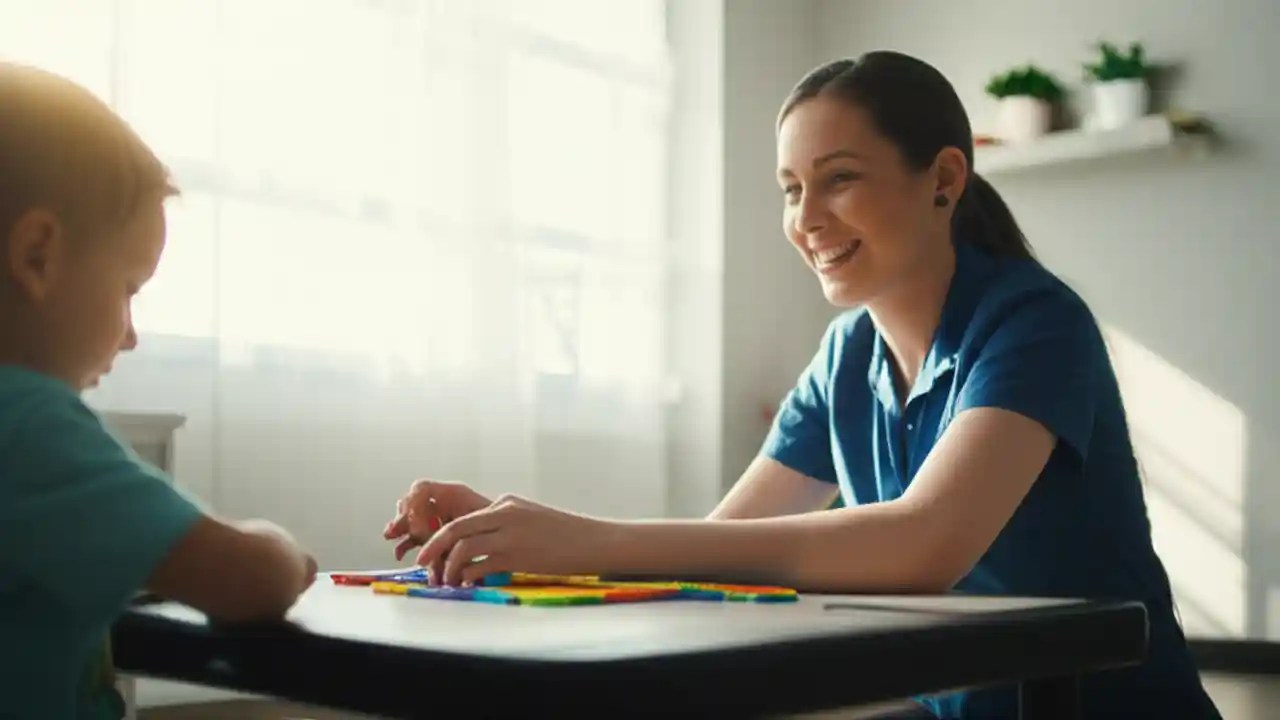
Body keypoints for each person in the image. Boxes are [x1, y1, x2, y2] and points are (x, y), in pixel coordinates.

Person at [383, 51, 1221, 719]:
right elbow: (721, 548)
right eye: (791, 188)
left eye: (840, 177)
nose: (807, 216)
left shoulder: (1035, 323)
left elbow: (923, 546)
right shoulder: (844, 356)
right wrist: (516, 544)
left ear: (944, 179)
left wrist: (590, 537)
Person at [0, 62, 317, 720]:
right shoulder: (26, 421)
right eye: (128, 290)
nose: (130, 336)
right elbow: (249, 580)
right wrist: (285, 550)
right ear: (36, 255)